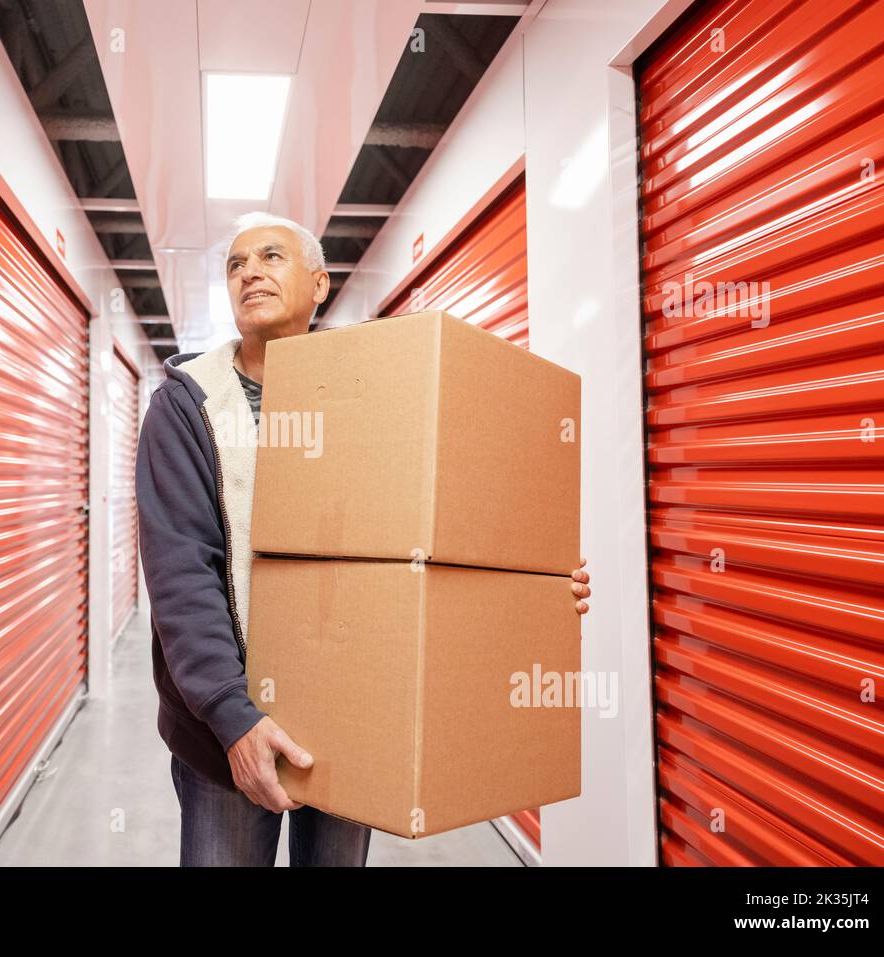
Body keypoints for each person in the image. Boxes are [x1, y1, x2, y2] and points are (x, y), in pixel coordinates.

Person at [134, 212, 593, 866]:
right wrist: (232, 718)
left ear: (320, 284)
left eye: (271, 256)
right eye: (235, 264)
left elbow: (437, 538)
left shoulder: (375, 390)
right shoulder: (187, 407)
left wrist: (536, 587)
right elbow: (181, 574)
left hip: (348, 717)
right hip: (224, 732)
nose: (250, 272)